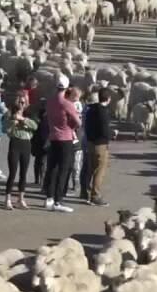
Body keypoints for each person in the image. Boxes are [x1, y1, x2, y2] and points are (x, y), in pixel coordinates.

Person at [44, 74, 81, 213]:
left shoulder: (50, 101)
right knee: (63, 169)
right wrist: (71, 124)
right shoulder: (67, 104)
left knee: (52, 168)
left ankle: (49, 198)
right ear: (66, 88)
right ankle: (58, 201)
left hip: (53, 137)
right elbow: (78, 122)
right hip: (66, 138)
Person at [4, 102, 37, 210]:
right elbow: (7, 131)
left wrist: (23, 120)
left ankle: (20, 199)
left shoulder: (27, 118)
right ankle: (7, 199)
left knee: (23, 173)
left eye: (21, 110)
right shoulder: (10, 120)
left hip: (26, 144)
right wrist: (14, 122)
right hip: (15, 144)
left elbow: (35, 126)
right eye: (17, 110)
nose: (19, 112)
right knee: (13, 172)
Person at [84, 87, 111, 206]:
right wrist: (112, 134)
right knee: (100, 170)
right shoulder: (103, 111)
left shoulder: (91, 109)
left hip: (90, 142)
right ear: (108, 99)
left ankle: (86, 192)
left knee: (90, 169)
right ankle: (95, 196)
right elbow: (104, 130)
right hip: (100, 144)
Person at [31, 99, 49, 186]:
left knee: (40, 161)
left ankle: (39, 179)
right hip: (38, 140)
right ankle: (38, 180)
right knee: (40, 161)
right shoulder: (38, 116)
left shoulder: (45, 116)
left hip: (40, 140)